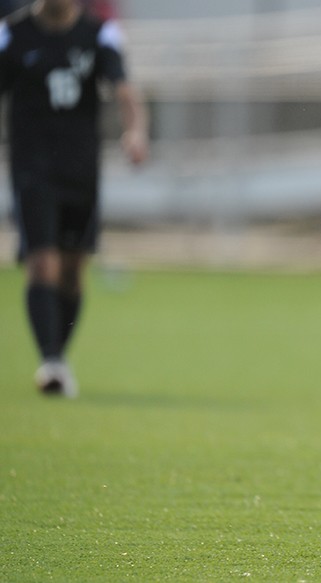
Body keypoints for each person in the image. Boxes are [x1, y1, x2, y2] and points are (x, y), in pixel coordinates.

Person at [0, 0, 148, 397]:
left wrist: (135, 131)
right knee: (42, 262)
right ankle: (49, 360)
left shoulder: (99, 33)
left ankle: (57, 359)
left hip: (81, 171)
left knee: (71, 271)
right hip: (32, 170)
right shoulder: (11, 34)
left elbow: (124, 89)